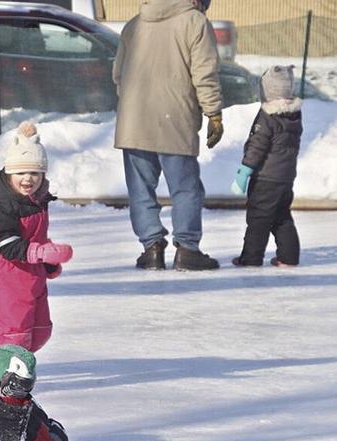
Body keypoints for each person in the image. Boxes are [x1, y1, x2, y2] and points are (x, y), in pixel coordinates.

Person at [113, 0, 224, 271]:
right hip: (174, 118)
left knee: (140, 189)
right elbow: (204, 72)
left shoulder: (133, 25)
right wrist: (214, 113)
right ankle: (187, 249)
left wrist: (134, 107)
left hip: (134, 121)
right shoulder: (195, 22)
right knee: (185, 188)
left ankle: (151, 248)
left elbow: (118, 75)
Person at [0, 122, 73, 361]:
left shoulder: (36, 200)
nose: (27, 179)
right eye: (20, 173)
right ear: (10, 173)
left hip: (32, 278)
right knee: (14, 335)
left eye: (34, 173)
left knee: (40, 331)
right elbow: (4, 242)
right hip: (6, 278)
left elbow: (36, 237)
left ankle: (16, 367)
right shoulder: (3, 204)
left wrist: (49, 261)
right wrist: (41, 253)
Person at [231, 66, 302, 268]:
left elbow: (257, 147)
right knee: (281, 216)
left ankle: (250, 258)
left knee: (258, 219)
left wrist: (244, 171)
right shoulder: (294, 115)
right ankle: (288, 257)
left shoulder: (267, 117)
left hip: (265, 179)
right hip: (285, 178)